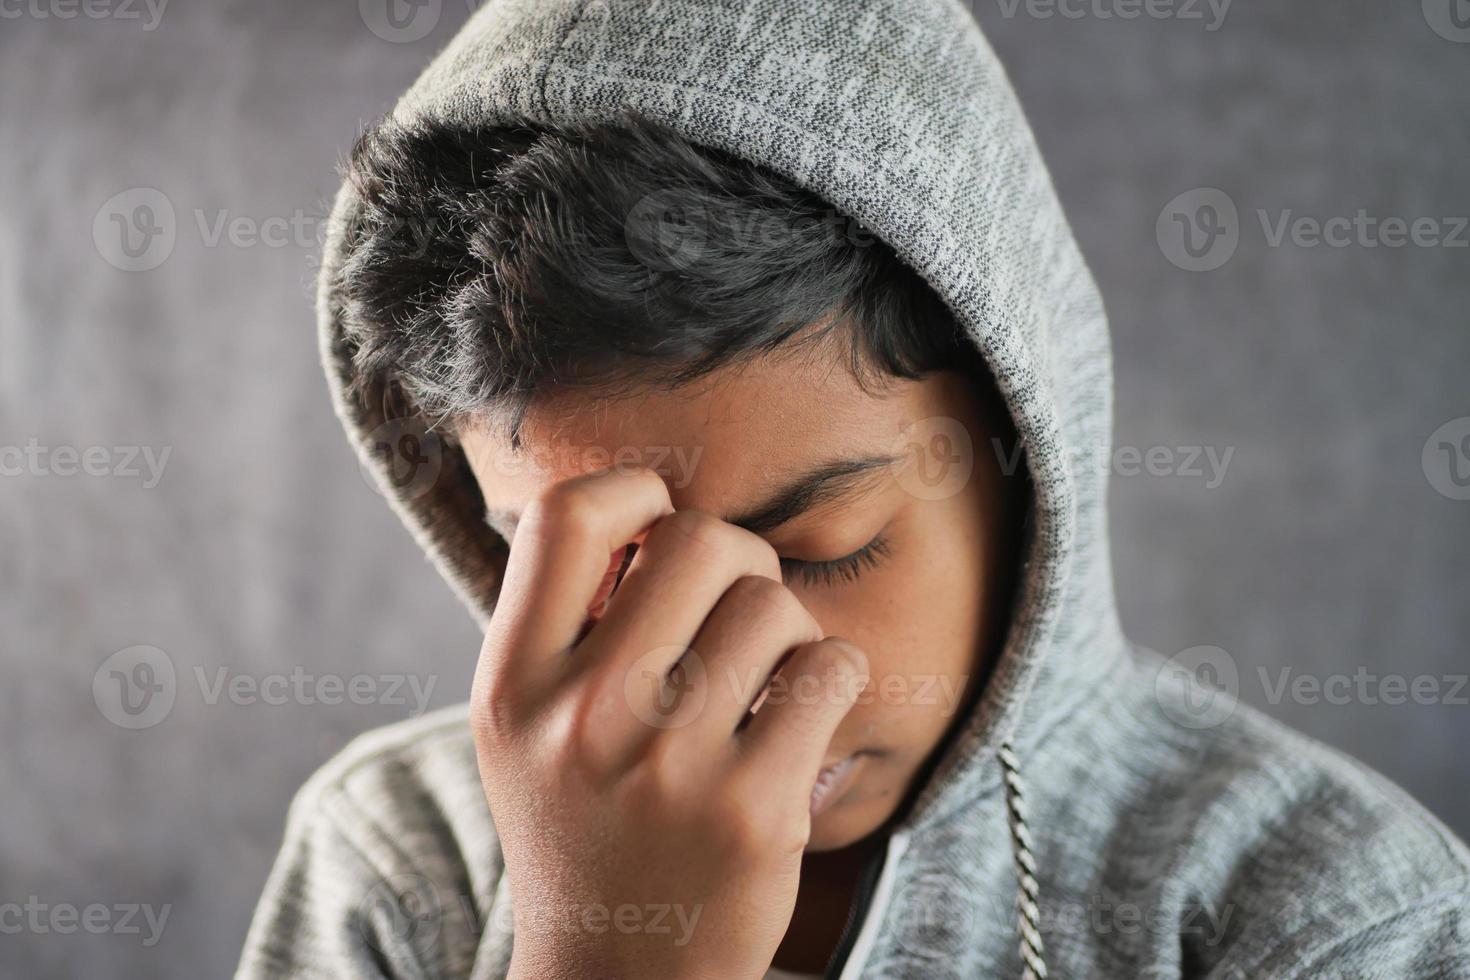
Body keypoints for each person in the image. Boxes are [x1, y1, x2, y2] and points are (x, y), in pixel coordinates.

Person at [238, 1, 1470, 977]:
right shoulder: (398, 863)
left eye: (819, 548)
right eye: (587, 570)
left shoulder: (1324, 913)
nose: (714, 674)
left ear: (1026, 452)